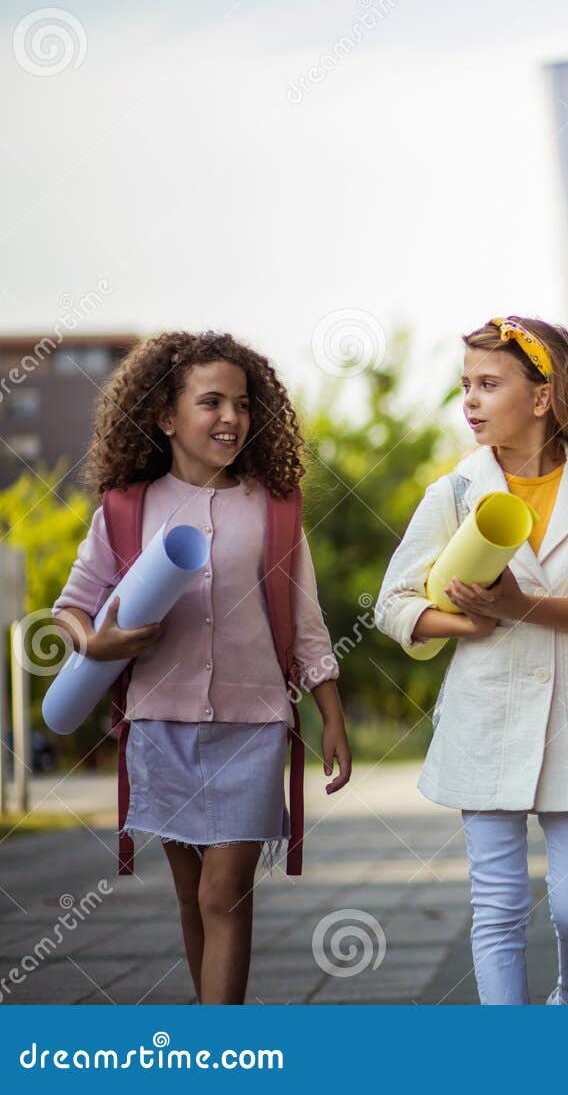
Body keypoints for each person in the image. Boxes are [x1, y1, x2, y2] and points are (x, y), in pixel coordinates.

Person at [53, 331, 350, 1004]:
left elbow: (306, 623)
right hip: (159, 725)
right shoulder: (126, 508)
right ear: (166, 416)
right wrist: (92, 645)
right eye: (210, 401)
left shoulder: (274, 509)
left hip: (254, 727)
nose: (231, 418)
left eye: (242, 404)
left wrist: (330, 712)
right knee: (192, 896)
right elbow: (73, 605)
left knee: (226, 890)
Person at [376, 316, 568, 1004]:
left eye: (488, 384)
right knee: (497, 906)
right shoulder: (456, 491)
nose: (470, 399)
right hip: (487, 718)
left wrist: (521, 605)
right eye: (465, 384)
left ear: (541, 396)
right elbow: (394, 602)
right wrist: (464, 620)